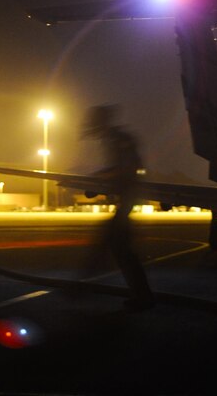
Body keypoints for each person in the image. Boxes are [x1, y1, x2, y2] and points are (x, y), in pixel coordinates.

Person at [81, 104, 155, 311]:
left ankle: (85, 284)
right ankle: (141, 295)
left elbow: (125, 169)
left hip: (128, 198)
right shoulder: (115, 138)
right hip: (126, 199)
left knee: (117, 245)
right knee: (119, 247)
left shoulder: (117, 139)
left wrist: (98, 178)